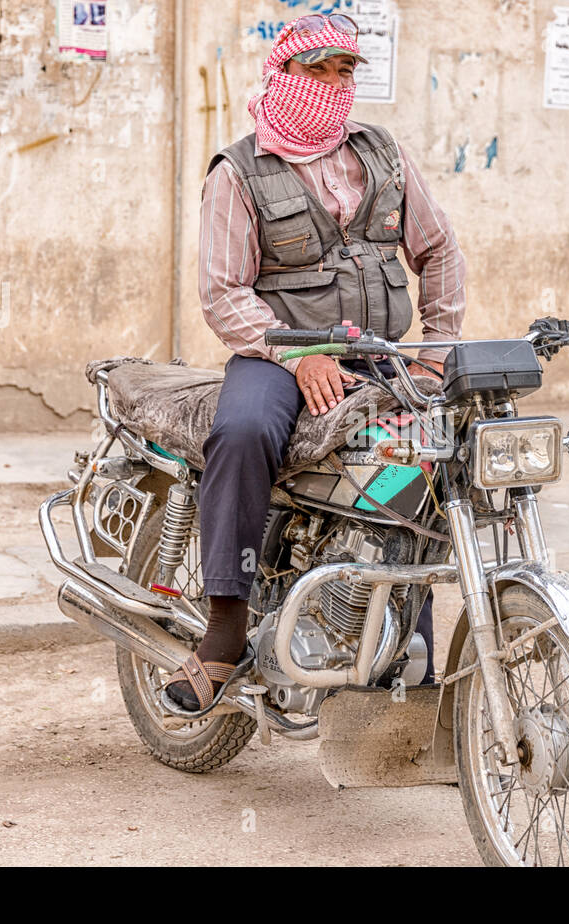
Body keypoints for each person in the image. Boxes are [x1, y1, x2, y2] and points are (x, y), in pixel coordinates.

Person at [163, 14, 467, 713]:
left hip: (379, 357)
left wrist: (434, 352)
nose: (333, 85)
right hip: (275, 356)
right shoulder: (238, 170)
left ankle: (403, 644)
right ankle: (224, 633)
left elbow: (440, 249)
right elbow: (223, 291)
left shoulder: (381, 154)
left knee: (419, 460)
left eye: (345, 72)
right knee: (241, 435)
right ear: (283, 74)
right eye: (318, 70)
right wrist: (300, 360)